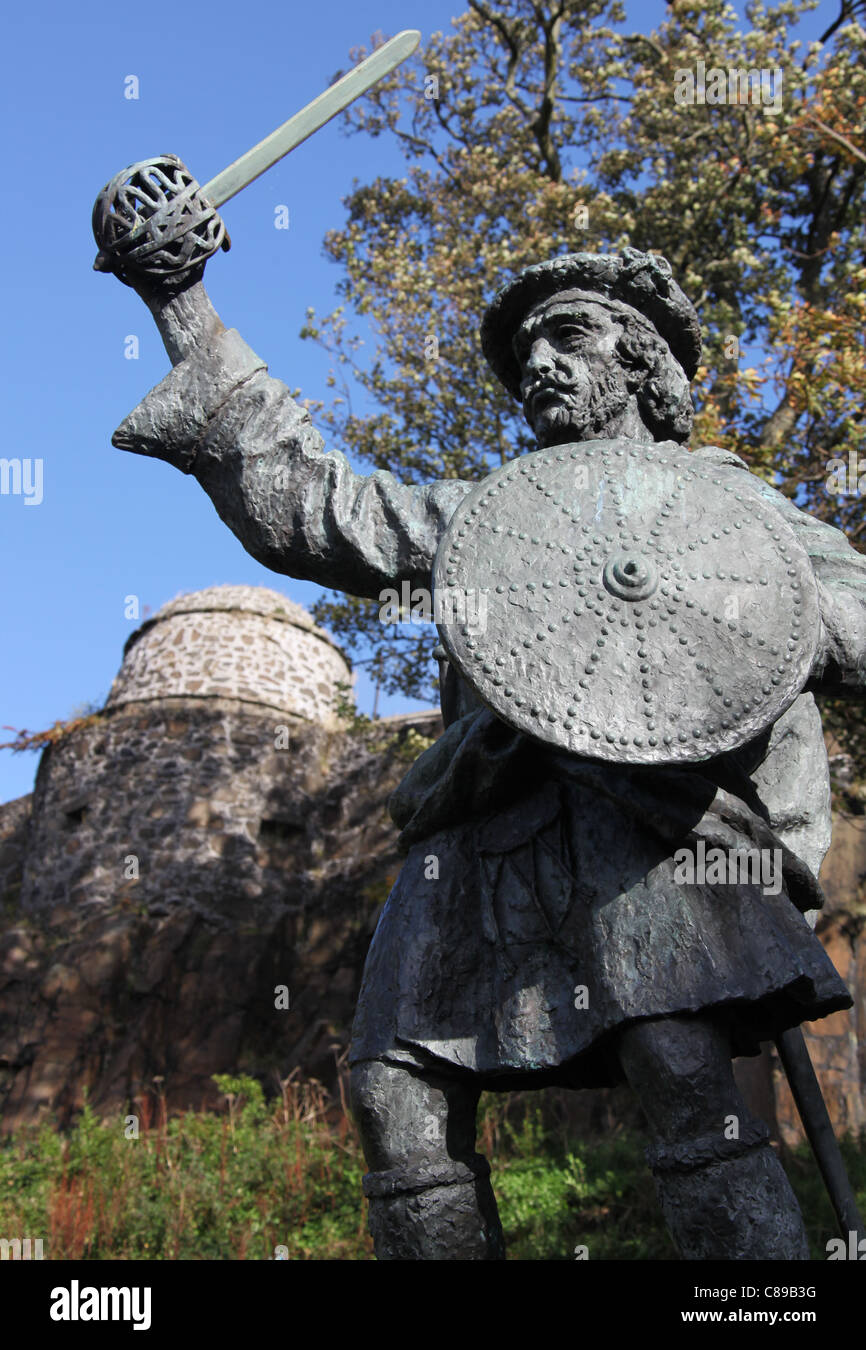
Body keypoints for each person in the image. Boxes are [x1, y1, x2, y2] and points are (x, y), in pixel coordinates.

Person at [110, 244, 862, 1260]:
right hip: (477, 826)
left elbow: (844, 611)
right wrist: (180, 299)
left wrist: (732, 618)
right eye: (521, 351)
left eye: (568, 333)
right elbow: (322, 507)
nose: (537, 362)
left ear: (639, 361)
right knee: (390, 1084)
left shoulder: (724, 505)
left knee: (678, 1073)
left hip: (648, 827)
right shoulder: (486, 511)